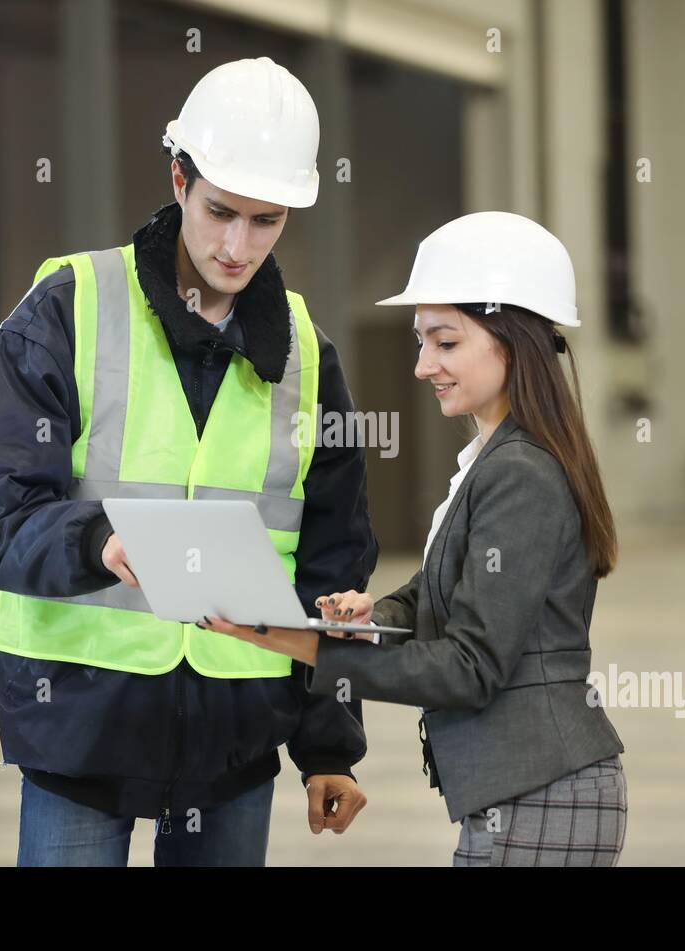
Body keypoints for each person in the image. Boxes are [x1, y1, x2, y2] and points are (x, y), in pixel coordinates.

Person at [0, 57, 376, 866]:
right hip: (79, 721)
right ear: (179, 177)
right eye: (222, 211)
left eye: (267, 220)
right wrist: (98, 544)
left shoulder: (306, 354)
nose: (236, 245)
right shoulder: (68, 311)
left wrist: (329, 743)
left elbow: (335, 560)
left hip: (236, 730)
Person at [205, 211, 628, 866]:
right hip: (528, 793)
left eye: (446, 343)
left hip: (542, 792)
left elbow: (472, 667)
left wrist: (298, 645)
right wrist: (379, 614)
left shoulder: (521, 475)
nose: (423, 365)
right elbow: (457, 592)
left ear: (511, 343)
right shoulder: (498, 460)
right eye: (421, 342)